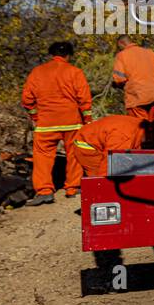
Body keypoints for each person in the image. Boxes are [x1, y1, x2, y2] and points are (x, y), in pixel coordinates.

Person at [21, 40, 92, 205]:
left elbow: (27, 99)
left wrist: (35, 116)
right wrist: (87, 120)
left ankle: (44, 191)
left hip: (46, 123)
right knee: (74, 154)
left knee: (42, 157)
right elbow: (84, 98)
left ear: (51, 54)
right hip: (72, 122)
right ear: (68, 55)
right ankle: (73, 187)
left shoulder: (37, 72)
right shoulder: (75, 72)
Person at [74, 115, 154, 178]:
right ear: (151, 132)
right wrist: (103, 185)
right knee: (100, 180)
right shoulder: (125, 137)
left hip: (102, 140)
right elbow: (108, 164)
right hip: (88, 145)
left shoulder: (142, 129)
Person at [112, 35, 154, 120]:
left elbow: (119, 79)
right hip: (153, 94)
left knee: (138, 126)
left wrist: (115, 84)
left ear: (121, 43)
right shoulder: (150, 53)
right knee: (152, 125)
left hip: (136, 97)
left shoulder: (122, 55)